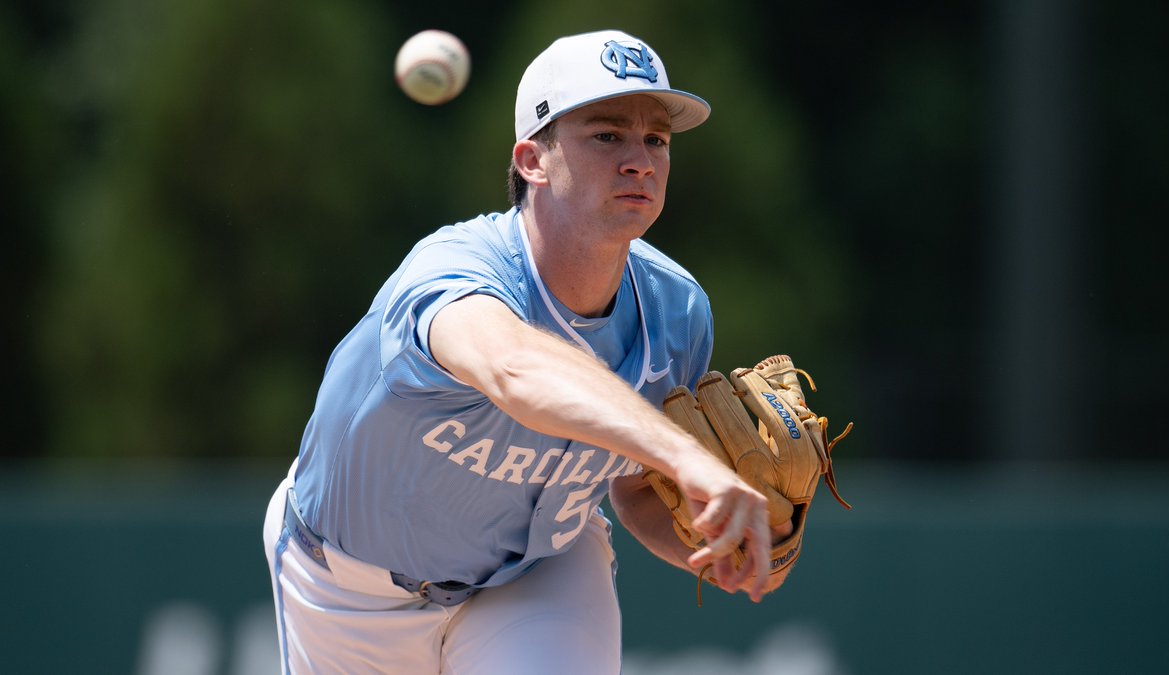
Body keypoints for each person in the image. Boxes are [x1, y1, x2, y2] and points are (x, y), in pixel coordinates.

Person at [263, 29, 783, 674]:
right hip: (351, 590)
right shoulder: (451, 271)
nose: (640, 160)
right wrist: (684, 454)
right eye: (607, 134)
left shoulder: (676, 313)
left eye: (657, 139)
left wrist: (715, 535)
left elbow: (637, 489)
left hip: (539, 574)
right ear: (533, 160)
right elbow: (515, 368)